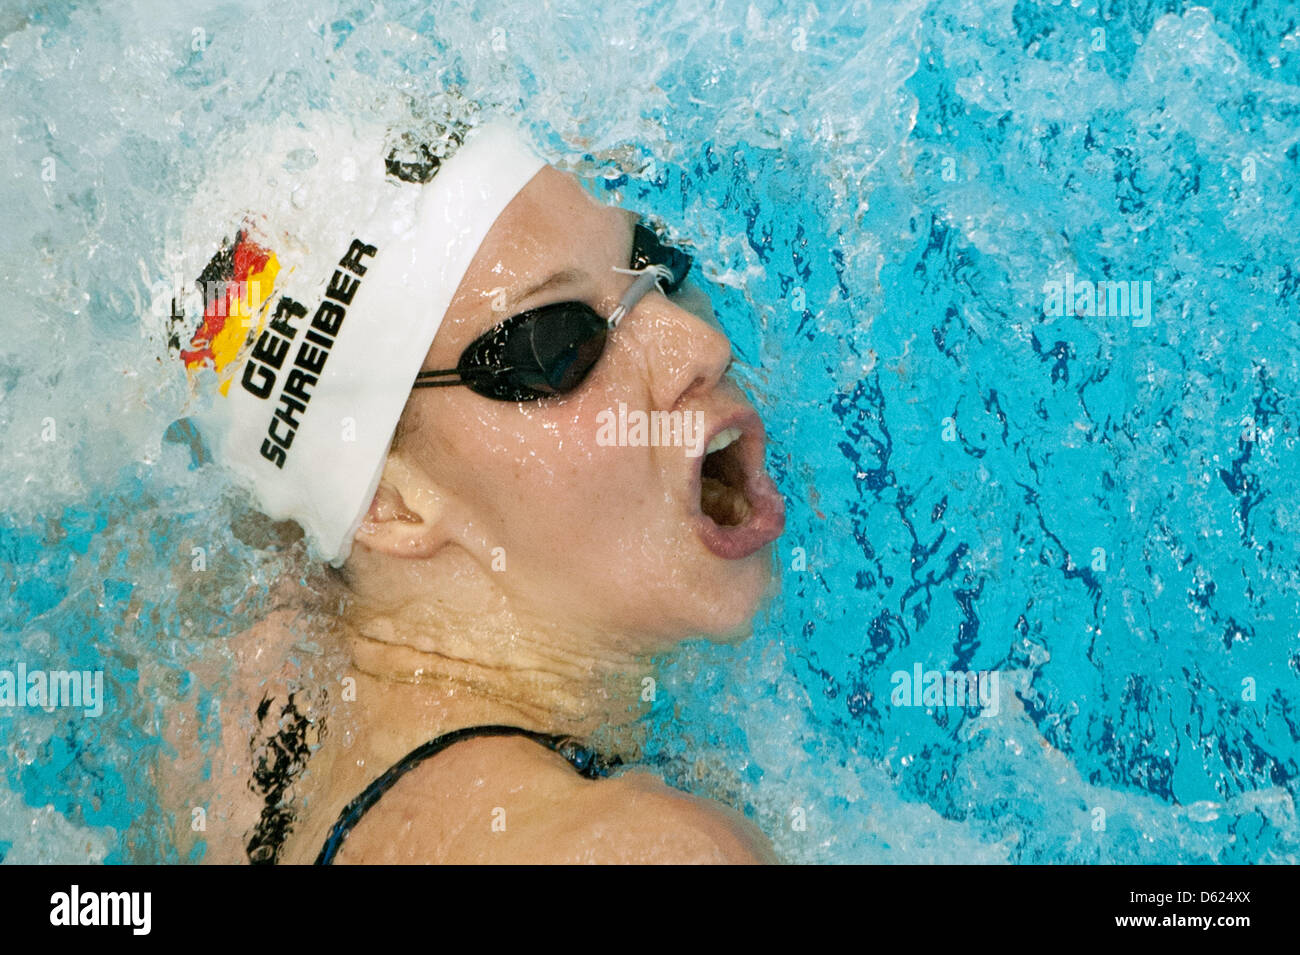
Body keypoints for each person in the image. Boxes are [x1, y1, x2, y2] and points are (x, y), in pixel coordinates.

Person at [168, 109, 786, 864]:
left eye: (654, 260)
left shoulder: (232, 727)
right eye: (556, 344)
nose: (702, 345)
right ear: (388, 503)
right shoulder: (651, 851)